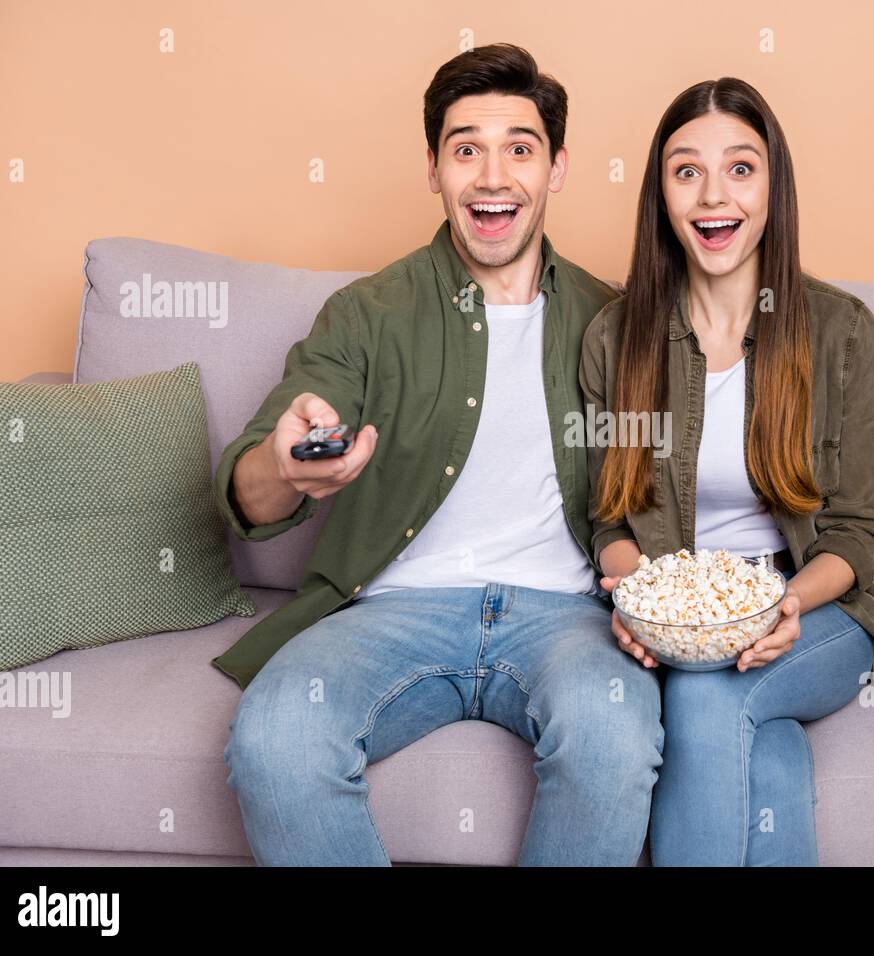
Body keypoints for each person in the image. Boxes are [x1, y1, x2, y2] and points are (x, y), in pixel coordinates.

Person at [213, 43, 663, 866]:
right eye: (466, 149)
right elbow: (250, 485)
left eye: (519, 149)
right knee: (276, 735)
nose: (493, 177)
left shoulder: (615, 322)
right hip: (388, 612)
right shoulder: (364, 313)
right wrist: (285, 465)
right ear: (433, 169)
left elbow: (653, 494)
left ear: (557, 167)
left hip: (563, 619)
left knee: (614, 731)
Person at [579, 77, 874, 866]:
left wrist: (779, 607)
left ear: (774, 184)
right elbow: (608, 518)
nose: (715, 196)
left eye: (740, 168)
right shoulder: (616, 336)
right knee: (762, 750)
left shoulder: (840, 331)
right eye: (686, 171)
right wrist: (640, 601)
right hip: (675, 611)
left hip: (809, 609)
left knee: (705, 694)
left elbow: (861, 530)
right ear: (660, 194)